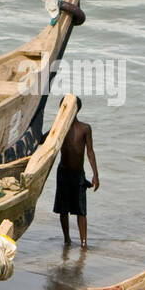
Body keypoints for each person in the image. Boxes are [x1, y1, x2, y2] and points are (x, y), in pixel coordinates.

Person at [54, 97, 99, 248]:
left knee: (81, 210)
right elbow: (44, 140)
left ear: (76, 109)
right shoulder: (60, 128)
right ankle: (67, 240)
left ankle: (84, 243)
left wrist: (95, 175)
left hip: (78, 174)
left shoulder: (85, 128)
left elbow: (90, 152)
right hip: (63, 172)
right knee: (63, 209)